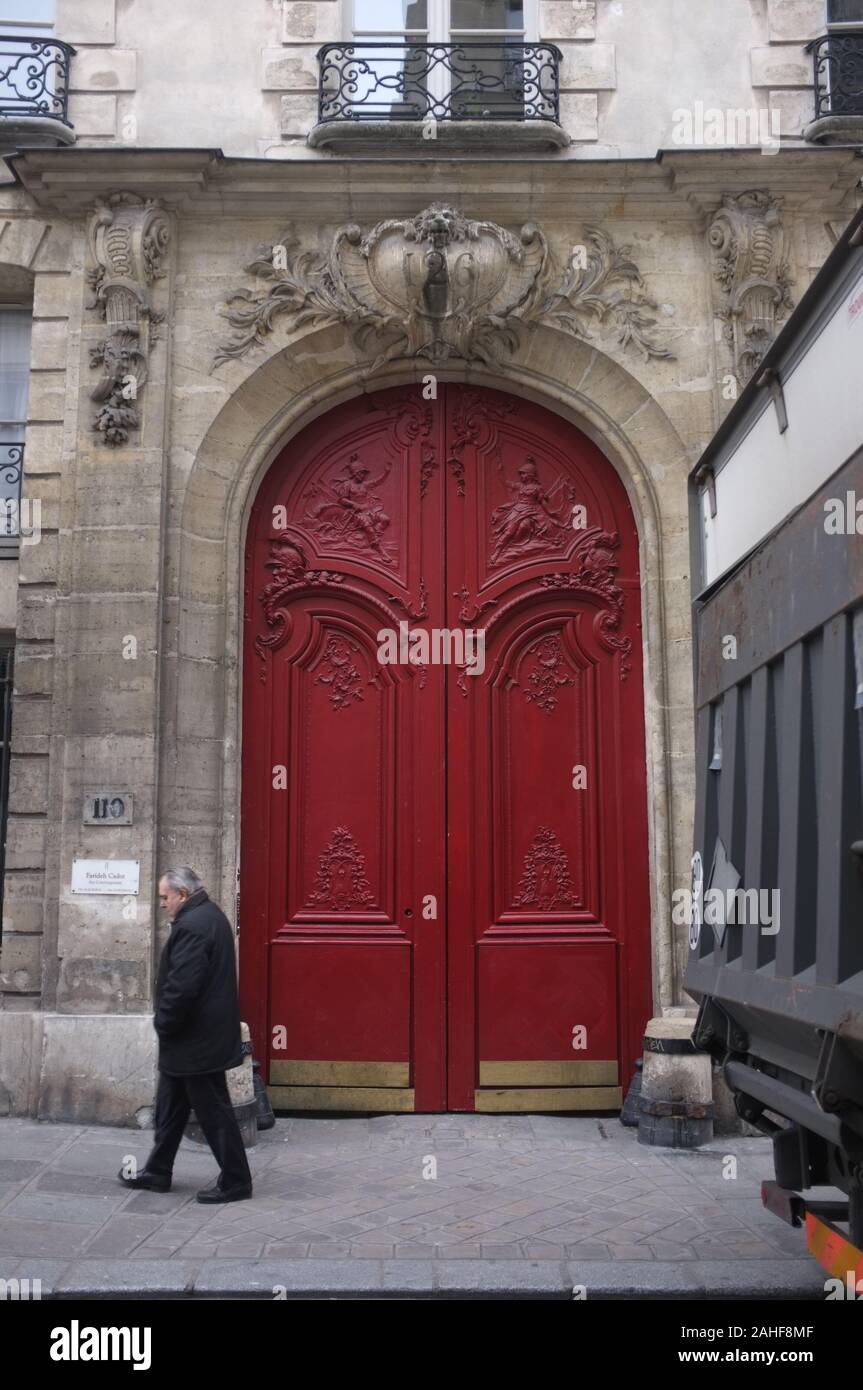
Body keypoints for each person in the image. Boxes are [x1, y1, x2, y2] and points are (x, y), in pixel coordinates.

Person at [118, 867, 253, 1203]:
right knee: (172, 1105)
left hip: (195, 1039)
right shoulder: (208, 915)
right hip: (194, 1038)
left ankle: (236, 1179)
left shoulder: (194, 925)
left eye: (165, 897)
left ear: (182, 894)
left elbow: (183, 986)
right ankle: (158, 1171)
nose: (162, 904)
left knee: (214, 1110)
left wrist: (164, 1022)